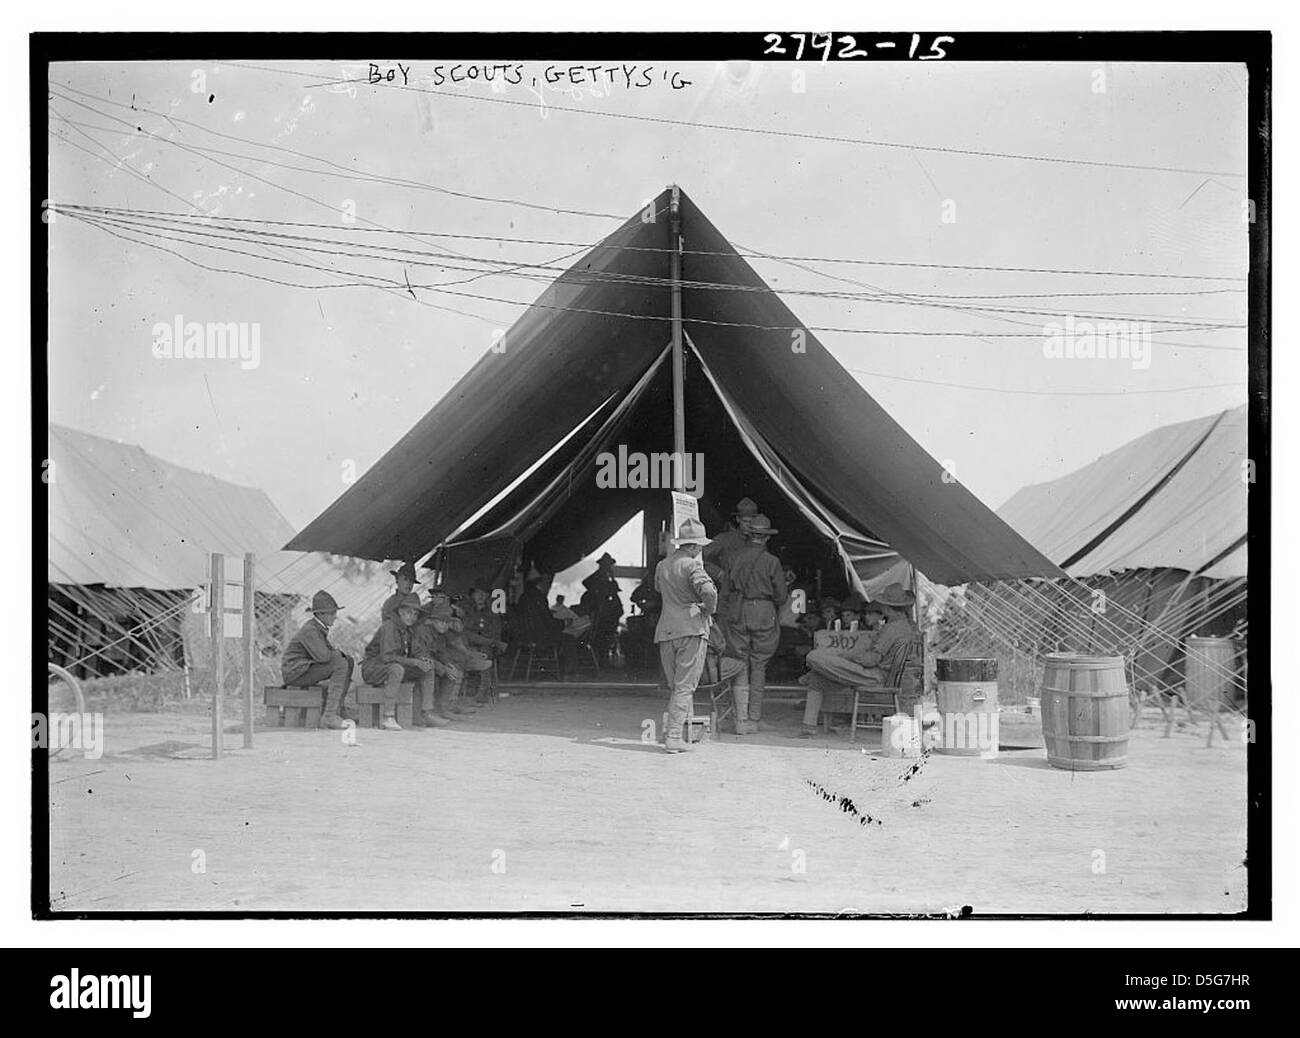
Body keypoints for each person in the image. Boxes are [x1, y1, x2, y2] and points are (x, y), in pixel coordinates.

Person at [796, 583, 921, 738]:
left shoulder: (892, 629)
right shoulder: (906, 626)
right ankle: (808, 728)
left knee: (814, 656)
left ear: (888, 609)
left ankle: (808, 678)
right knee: (817, 678)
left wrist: (845, 657)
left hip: (876, 678)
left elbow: (870, 660)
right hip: (884, 676)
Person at [654, 518, 718, 754]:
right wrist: (707, 609)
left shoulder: (662, 565)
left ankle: (674, 733)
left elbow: (659, 589)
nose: (701, 549)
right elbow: (709, 591)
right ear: (693, 547)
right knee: (684, 687)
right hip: (691, 628)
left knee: (675, 686)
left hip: (666, 630)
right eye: (700, 545)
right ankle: (673, 737)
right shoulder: (693, 566)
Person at [722, 514, 788, 732]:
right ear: (767, 538)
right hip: (763, 613)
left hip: (739, 611)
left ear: (749, 534)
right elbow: (781, 596)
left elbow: (726, 590)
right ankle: (754, 718)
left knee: (740, 663)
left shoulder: (733, 557)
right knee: (759, 665)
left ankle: (740, 720)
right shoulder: (772, 561)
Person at [360, 592, 441, 731]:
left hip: (394, 668)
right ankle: (388, 716)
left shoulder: (409, 630)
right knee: (397, 669)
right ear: (400, 611)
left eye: (415, 614)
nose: (412, 617)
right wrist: (415, 662)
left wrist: (424, 659)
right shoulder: (389, 626)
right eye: (409, 612)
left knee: (427, 669)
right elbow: (387, 658)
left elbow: (417, 650)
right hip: (374, 669)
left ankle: (426, 712)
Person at [281, 590, 354, 729]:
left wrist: (337, 653)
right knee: (340, 663)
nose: (335, 616)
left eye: (335, 612)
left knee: (347, 661)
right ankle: (329, 716)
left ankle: (337, 709)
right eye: (331, 613)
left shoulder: (317, 628)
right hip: (295, 673)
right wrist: (337, 653)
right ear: (320, 614)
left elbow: (326, 654)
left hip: (302, 669)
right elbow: (324, 656)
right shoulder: (311, 630)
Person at [423, 587, 488, 714]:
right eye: (437, 597)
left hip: (440, 649)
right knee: (453, 664)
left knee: (455, 661)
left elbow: (454, 633)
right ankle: (441, 707)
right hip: (424, 655)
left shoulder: (449, 611)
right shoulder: (425, 611)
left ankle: (451, 703)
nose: (440, 600)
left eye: (443, 597)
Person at [410, 601, 470, 724]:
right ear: (432, 620)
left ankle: (443, 707)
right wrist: (443, 668)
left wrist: (448, 664)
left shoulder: (439, 634)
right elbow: (421, 655)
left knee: (453, 669)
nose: (444, 625)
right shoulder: (422, 631)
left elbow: (441, 653)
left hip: (425, 662)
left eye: (447, 622)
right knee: (430, 669)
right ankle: (427, 712)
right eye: (441, 621)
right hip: (412, 663)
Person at [701, 497, 759, 622]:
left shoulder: (759, 542)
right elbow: (700, 558)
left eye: (752, 521)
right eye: (746, 521)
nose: (750, 526)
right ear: (738, 519)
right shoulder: (724, 539)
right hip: (729, 600)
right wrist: (719, 574)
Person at [461, 585, 508, 703]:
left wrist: (487, 640)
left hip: (485, 647)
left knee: (485, 652)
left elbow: (494, 631)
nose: (481, 596)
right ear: (472, 595)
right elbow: (465, 631)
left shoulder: (492, 613)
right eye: (478, 593)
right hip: (467, 644)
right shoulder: (467, 611)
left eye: (484, 593)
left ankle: (483, 692)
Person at [583, 552, 624, 664]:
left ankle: (602, 660)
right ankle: (600, 661)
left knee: (603, 636)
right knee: (600, 636)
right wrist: (596, 593)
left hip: (605, 610)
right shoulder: (600, 575)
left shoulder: (607, 576)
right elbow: (586, 583)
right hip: (600, 610)